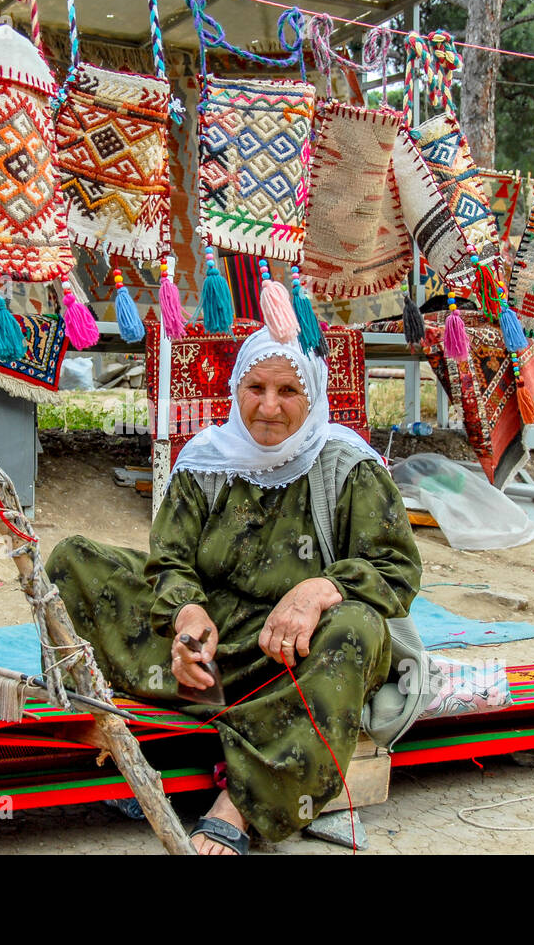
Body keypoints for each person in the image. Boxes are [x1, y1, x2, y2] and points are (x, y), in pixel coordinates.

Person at [47, 327, 421, 854]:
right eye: (256, 388)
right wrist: (186, 614)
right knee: (74, 561)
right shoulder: (208, 459)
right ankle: (168, 709)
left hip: (296, 652)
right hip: (217, 644)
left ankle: (241, 804)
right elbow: (169, 561)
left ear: (313, 395)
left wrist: (319, 589)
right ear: (235, 390)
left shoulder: (346, 466)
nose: (269, 407)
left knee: (357, 628)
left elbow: (397, 568)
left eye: (288, 391)